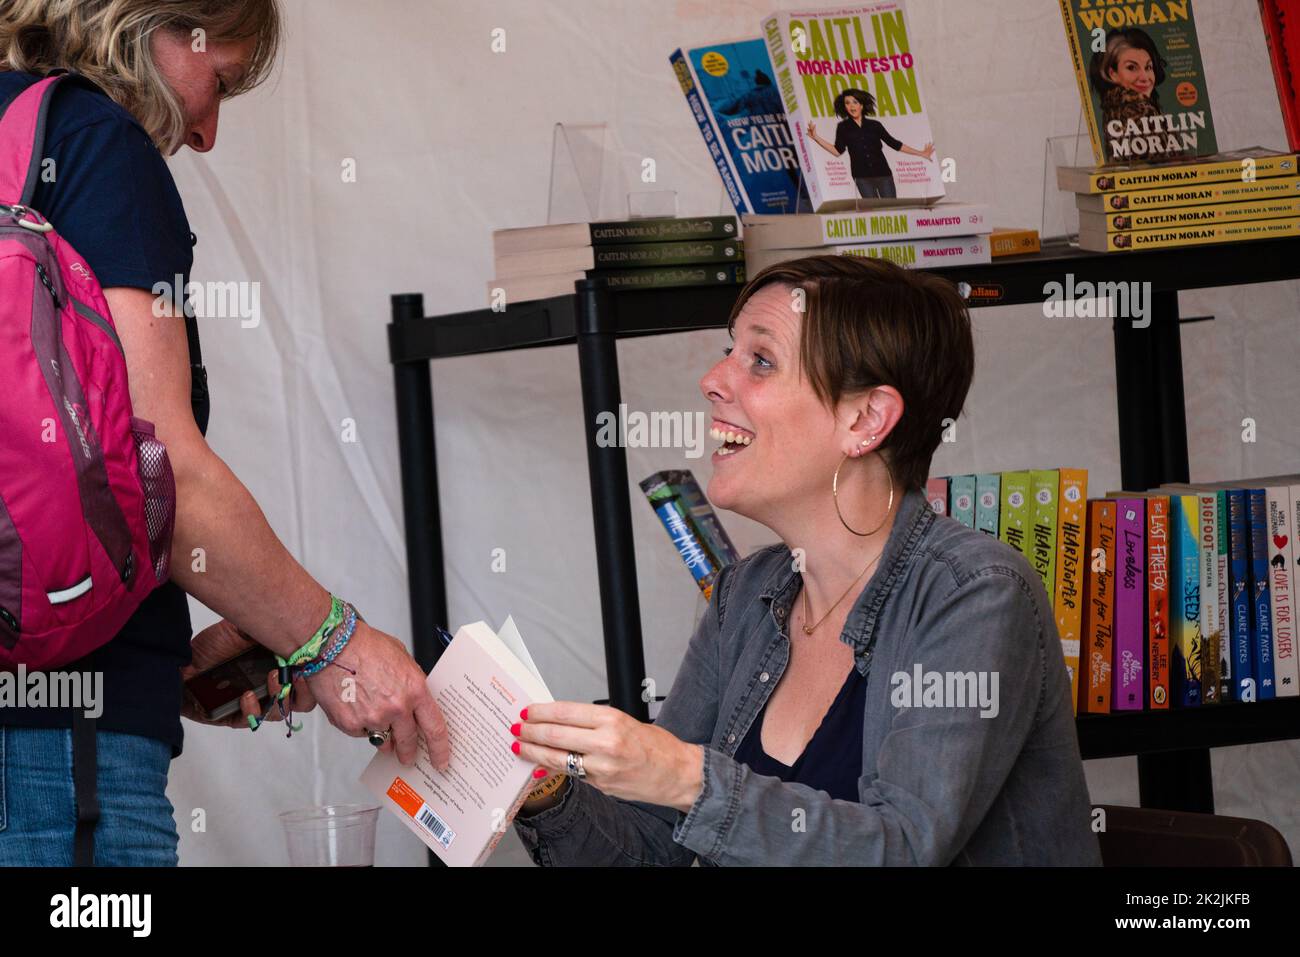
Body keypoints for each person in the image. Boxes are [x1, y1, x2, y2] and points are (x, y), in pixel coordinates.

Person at [0, 0, 448, 867]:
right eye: (222, 82)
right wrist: (335, 643)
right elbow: (157, 460)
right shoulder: (99, 146)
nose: (204, 132)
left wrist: (169, 655)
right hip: (60, 759)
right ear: (148, 22)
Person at [509, 254, 1101, 866]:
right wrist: (542, 786)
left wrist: (686, 776)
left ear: (865, 419)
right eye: (729, 351)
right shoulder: (743, 596)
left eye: (760, 360)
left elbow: (902, 851)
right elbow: (653, 852)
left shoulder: (974, 595)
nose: (713, 379)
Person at [806, 88, 934, 199]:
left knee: (892, 210)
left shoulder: (875, 125)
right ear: (844, 107)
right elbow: (837, 151)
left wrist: (921, 153)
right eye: (847, 103)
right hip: (861, 178)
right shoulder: (843, 127)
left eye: (855, 102)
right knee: (874, 213)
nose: (851, 106)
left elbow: (894, 144)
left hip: (883, 175)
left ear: (861, 105)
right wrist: (816, 137)